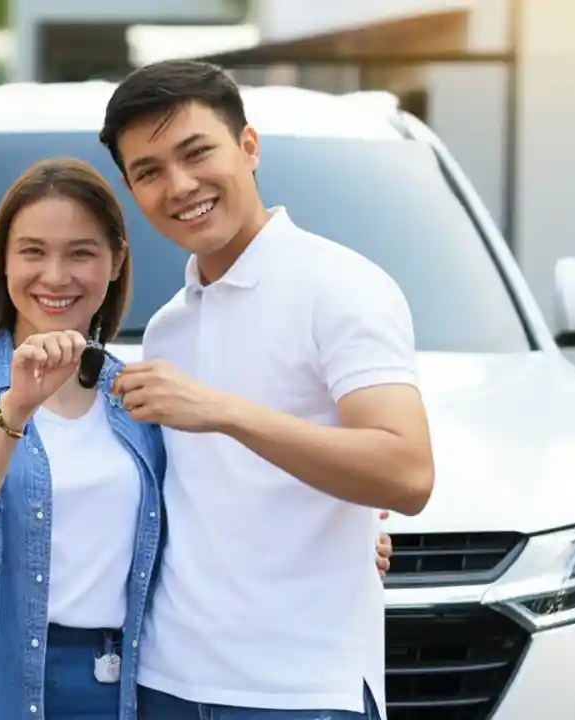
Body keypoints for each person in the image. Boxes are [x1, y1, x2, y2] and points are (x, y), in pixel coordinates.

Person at [0, 158, 397, 720]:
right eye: (33, 251)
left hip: (115, 686)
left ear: (115, 262)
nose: (55, 276)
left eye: (81, 253)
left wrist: (341, 532)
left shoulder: (135, 392)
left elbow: (209, 501)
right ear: (3, 261)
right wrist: (16, 407)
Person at [98, 60, 436, 720]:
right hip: (167, 680)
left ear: (248, 147)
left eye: (197, 152)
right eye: (149, 171)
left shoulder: (340, 286)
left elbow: (407, 473)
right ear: (133, 190)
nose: (180, 185)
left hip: (300, 692)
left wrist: (223, 412)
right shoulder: (168, 328)